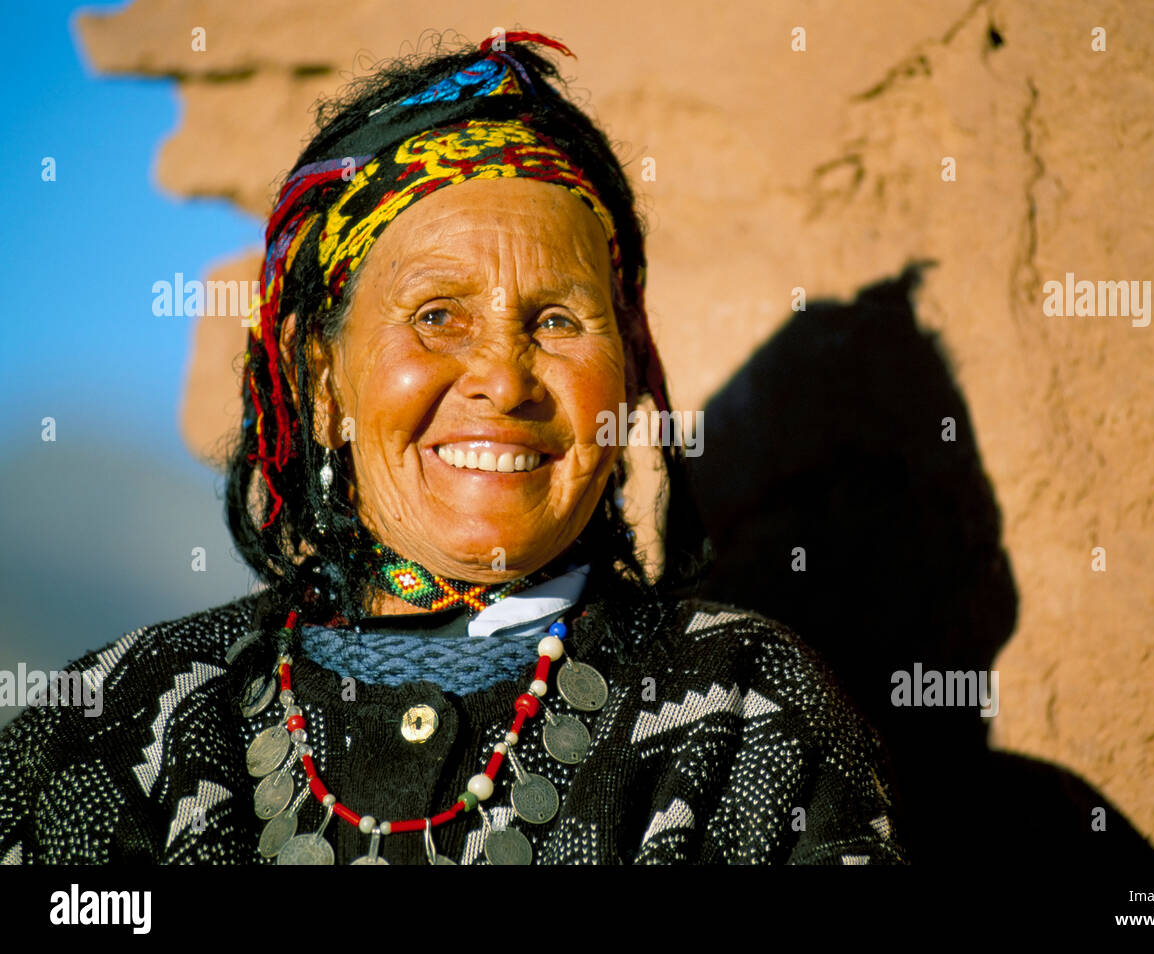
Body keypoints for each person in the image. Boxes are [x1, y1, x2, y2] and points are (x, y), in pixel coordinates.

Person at [0, 31, 905, 865]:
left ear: (628, 374)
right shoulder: (115, 721)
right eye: (437, 317)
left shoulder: (744, 714)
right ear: (323, 385)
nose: (504, 381)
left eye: (557, 320)